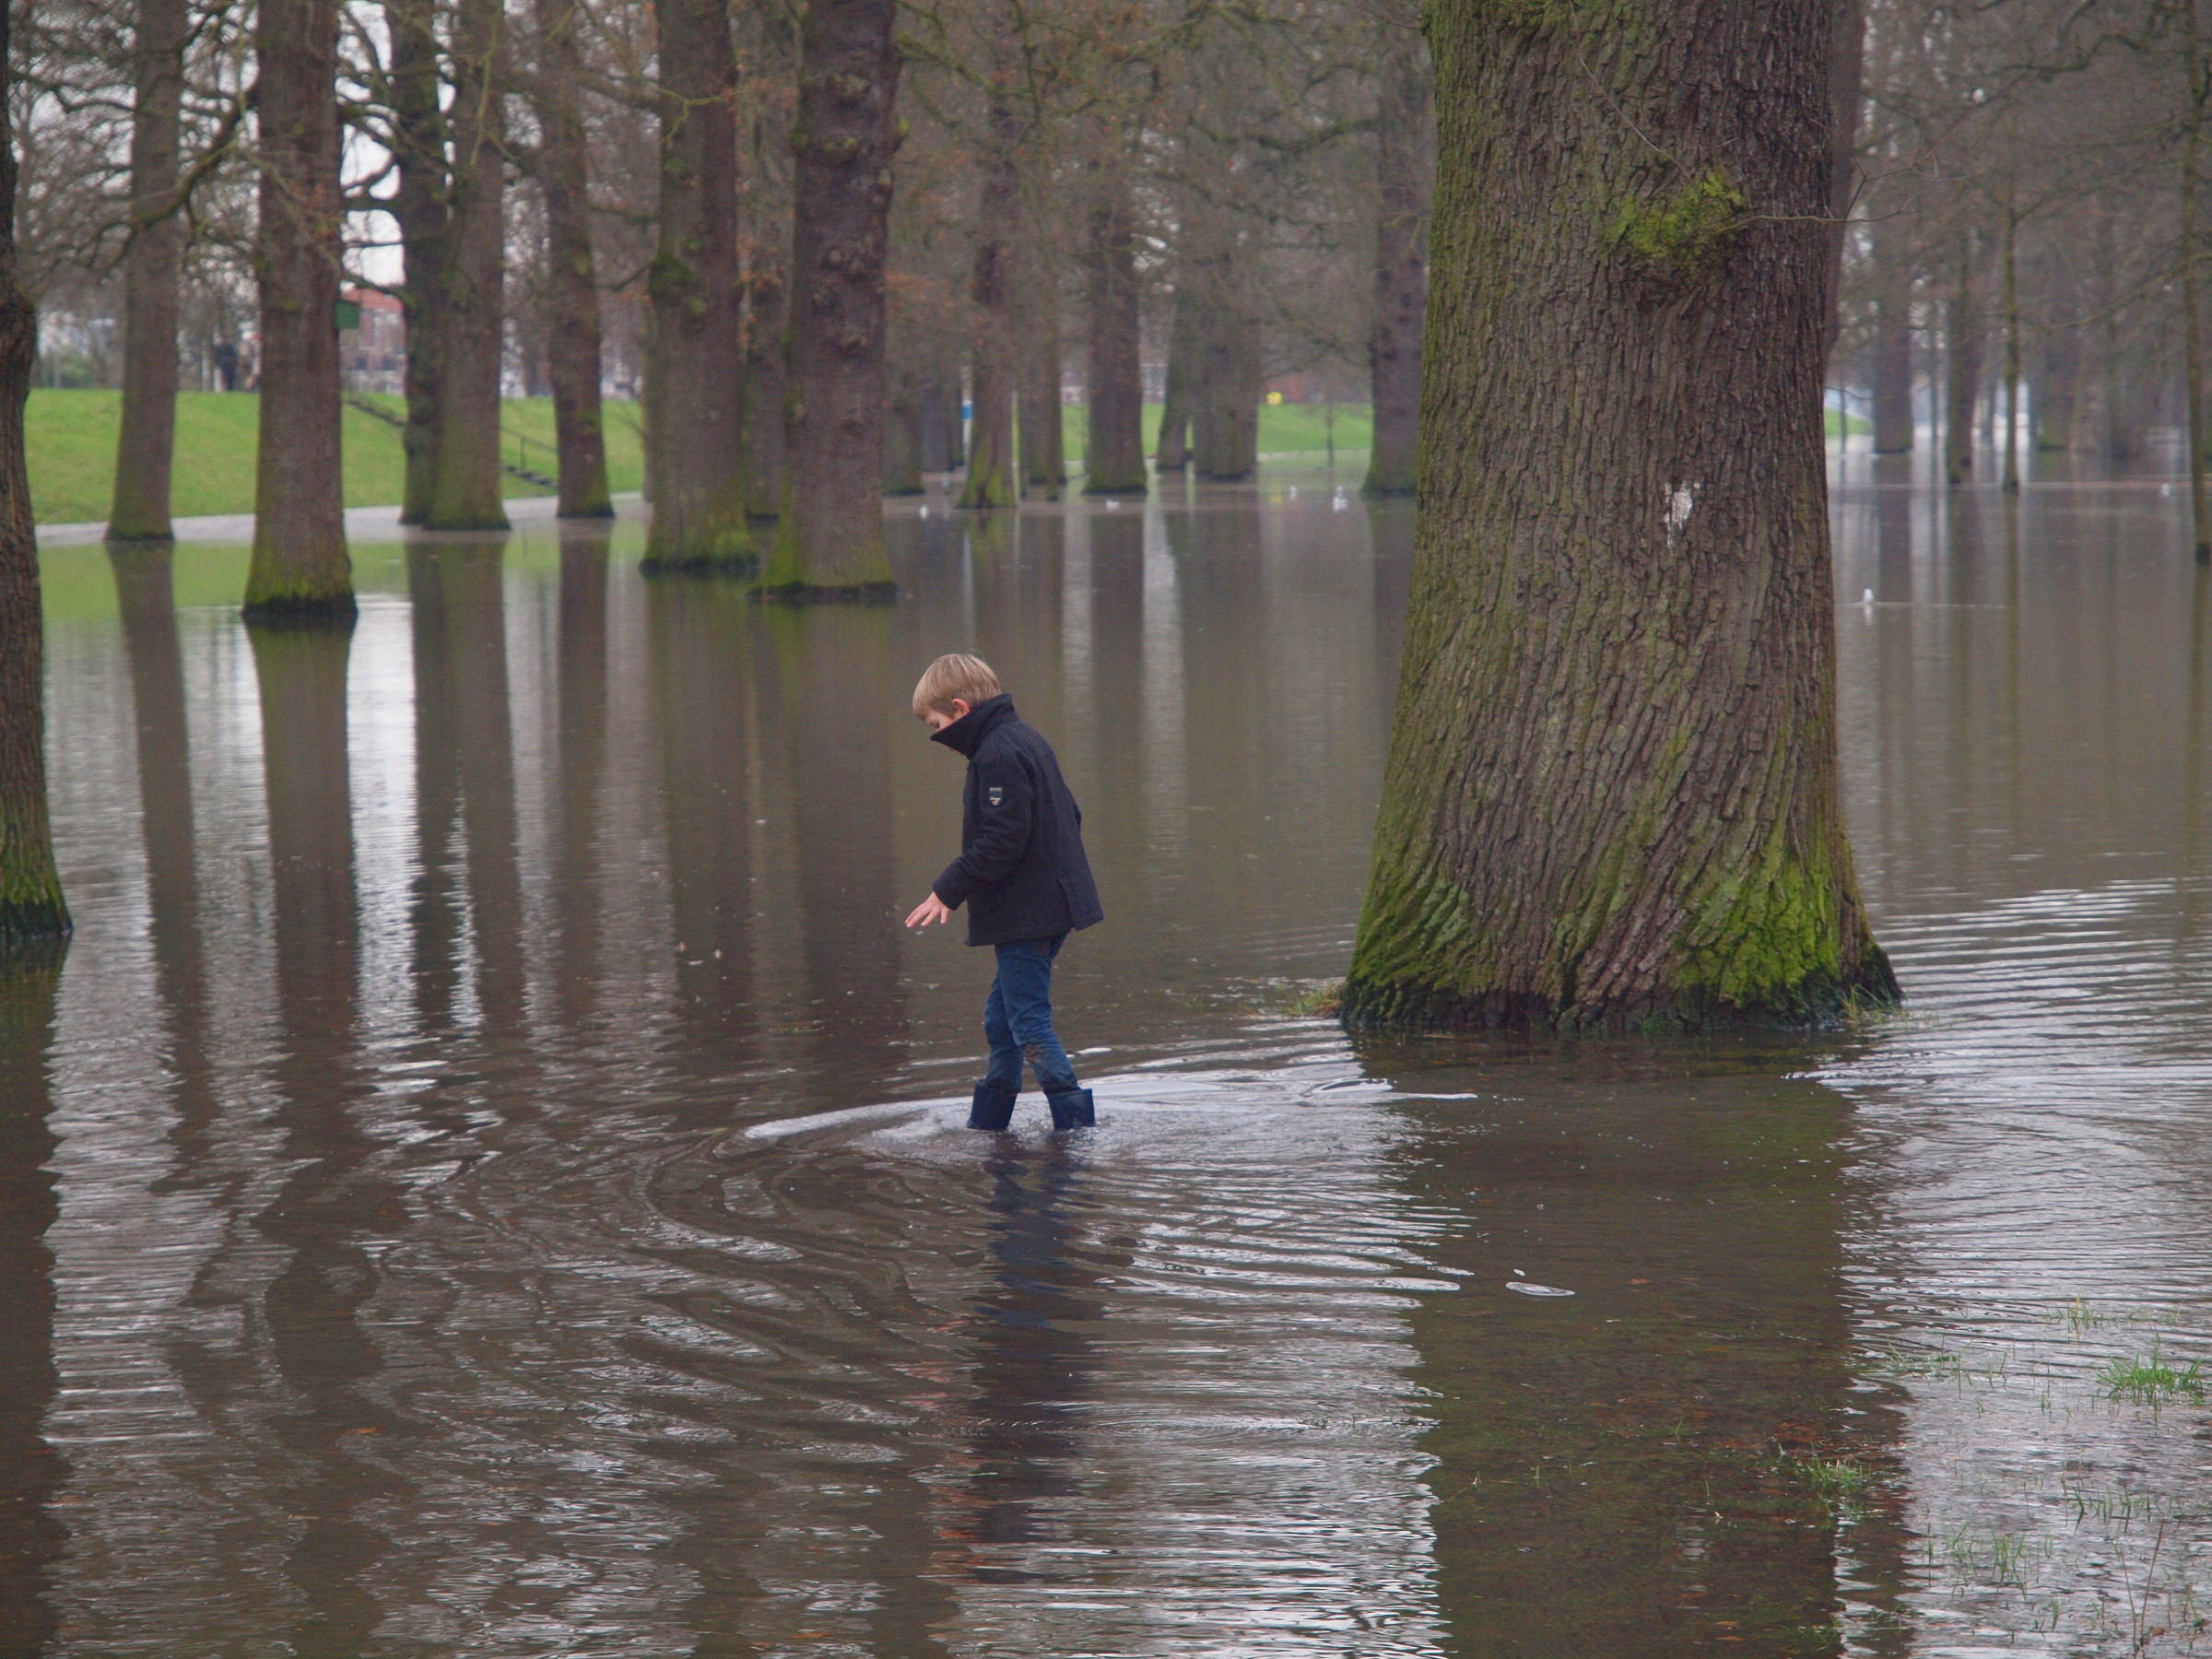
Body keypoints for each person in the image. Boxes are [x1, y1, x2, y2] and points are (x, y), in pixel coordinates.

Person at [904, 653, 1104, 1132]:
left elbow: (1002, 839)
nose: (939, 739)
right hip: (1051, 909)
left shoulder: (996, 754)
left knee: (1030, 1025)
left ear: (959, 708)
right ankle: (989, 1127)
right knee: (1002, 1023)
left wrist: (946, 892)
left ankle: (1075, 1130)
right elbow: (1071, 816)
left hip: (1029, 917)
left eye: (937, 725)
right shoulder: (1027, 739)